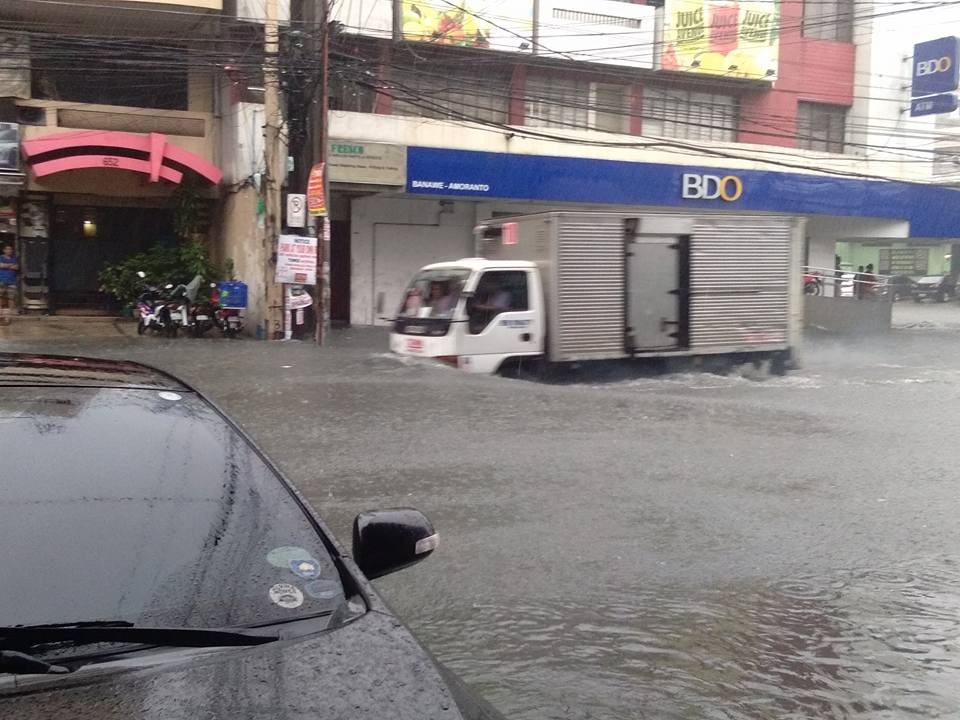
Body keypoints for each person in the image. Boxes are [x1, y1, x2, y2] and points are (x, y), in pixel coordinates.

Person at [0, 242, 19, 325]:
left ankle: (9, 317)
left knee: (11, 299)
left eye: (10, 249)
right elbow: (1, 265)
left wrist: (6, 265)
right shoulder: (1, 257)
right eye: (7, 249)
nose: (9, 250)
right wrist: (10, 265)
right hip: (1, 280)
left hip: (12, 281)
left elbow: (16, 267)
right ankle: (1, 316)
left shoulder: (14, 258)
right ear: (4, 250)